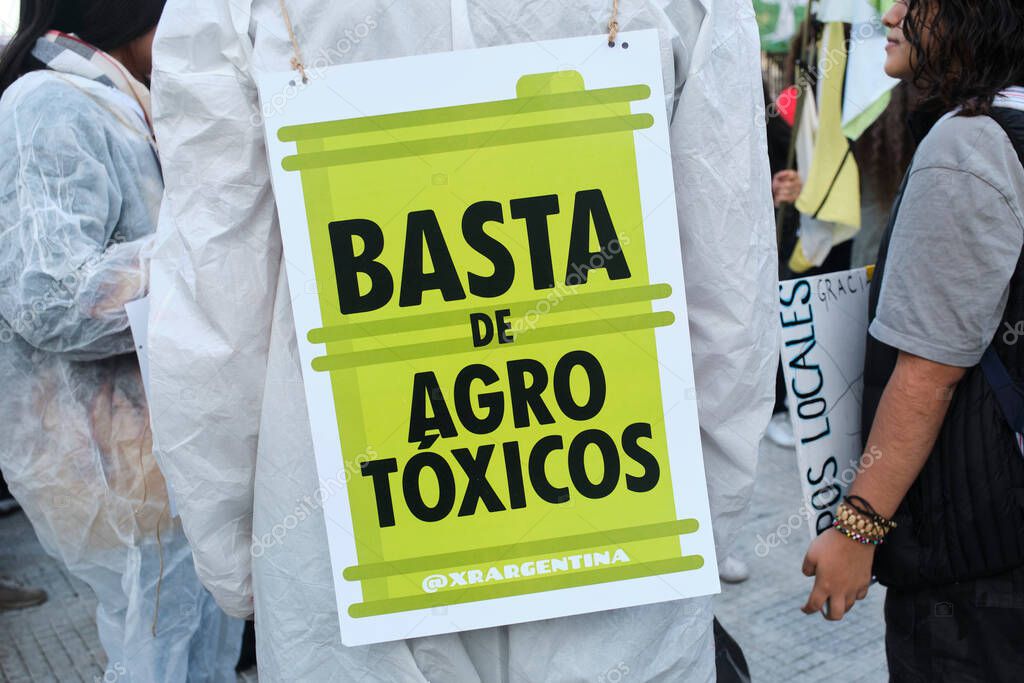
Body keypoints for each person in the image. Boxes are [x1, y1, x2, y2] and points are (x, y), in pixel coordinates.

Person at [147, 1, 777, 680]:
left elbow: (217, 306)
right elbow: (728, 275)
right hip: (613, 515)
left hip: (349, 537)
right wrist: (707, 512)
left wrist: (240, 554)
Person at [0, 1, 243, 679]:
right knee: (157, 653)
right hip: (119, 464)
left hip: (164, 449)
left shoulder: (111, 101)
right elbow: (49, 298)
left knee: (195, 649)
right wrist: (200, 256)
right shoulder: (46, 107)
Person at [800, 0, 1024, 680]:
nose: (893, 11)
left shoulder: (971, 141)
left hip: (974, 568)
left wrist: (857, 528)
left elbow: (930, 370)